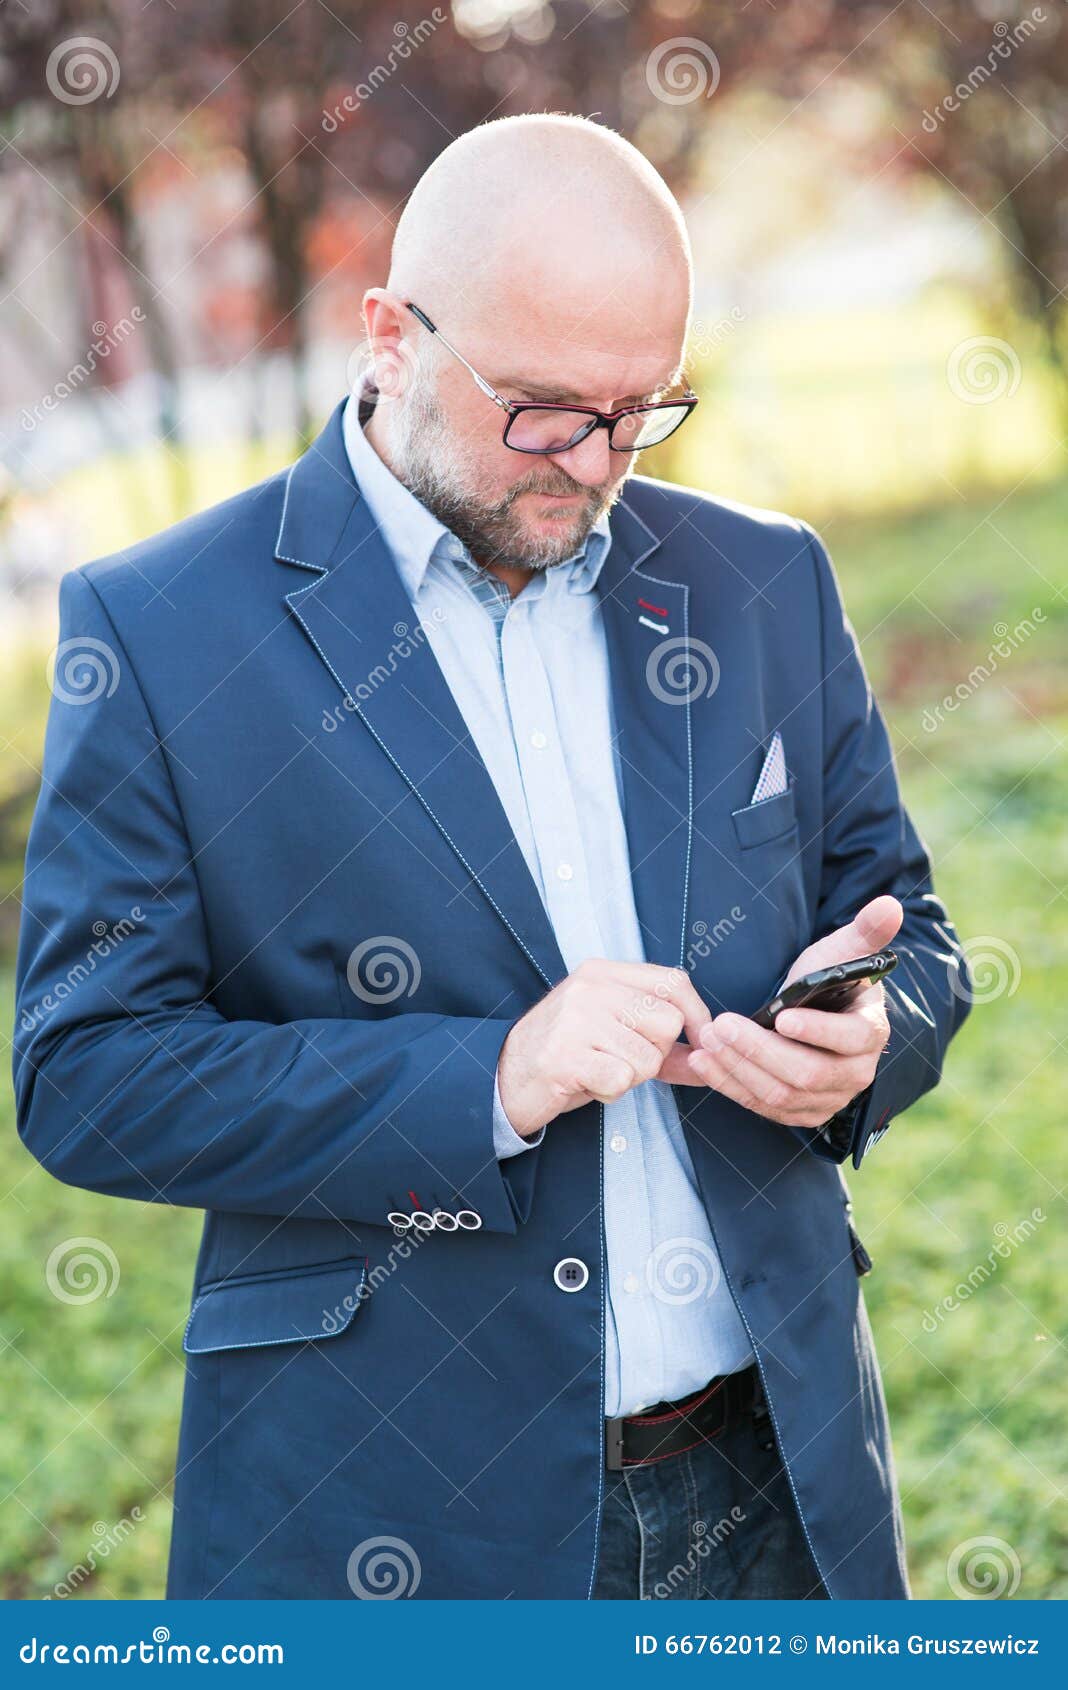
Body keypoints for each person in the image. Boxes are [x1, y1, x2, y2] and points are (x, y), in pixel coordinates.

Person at [13, 114, 970, 1601]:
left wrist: (872, 1035)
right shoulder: (160, 632)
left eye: (636, 409)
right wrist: (494, 1079)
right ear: (389, 334)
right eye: (540, 408)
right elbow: (86, 1071)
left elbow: (909, 927)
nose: (593, 462)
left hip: (777, 1476)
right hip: (398, 1510)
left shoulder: (762, 577)